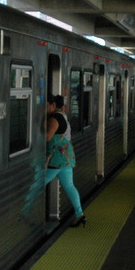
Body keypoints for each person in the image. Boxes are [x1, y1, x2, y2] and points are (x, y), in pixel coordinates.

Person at [45, 95, 85, 227]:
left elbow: (48, 137)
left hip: (56, 159)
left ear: (53, 104)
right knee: (69, 186)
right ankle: (80, 215)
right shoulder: (64, 116)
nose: (45, 108)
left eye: (46, 105)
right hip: (67, 157)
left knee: (37, 184)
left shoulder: (54, 118)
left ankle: (24, 213)